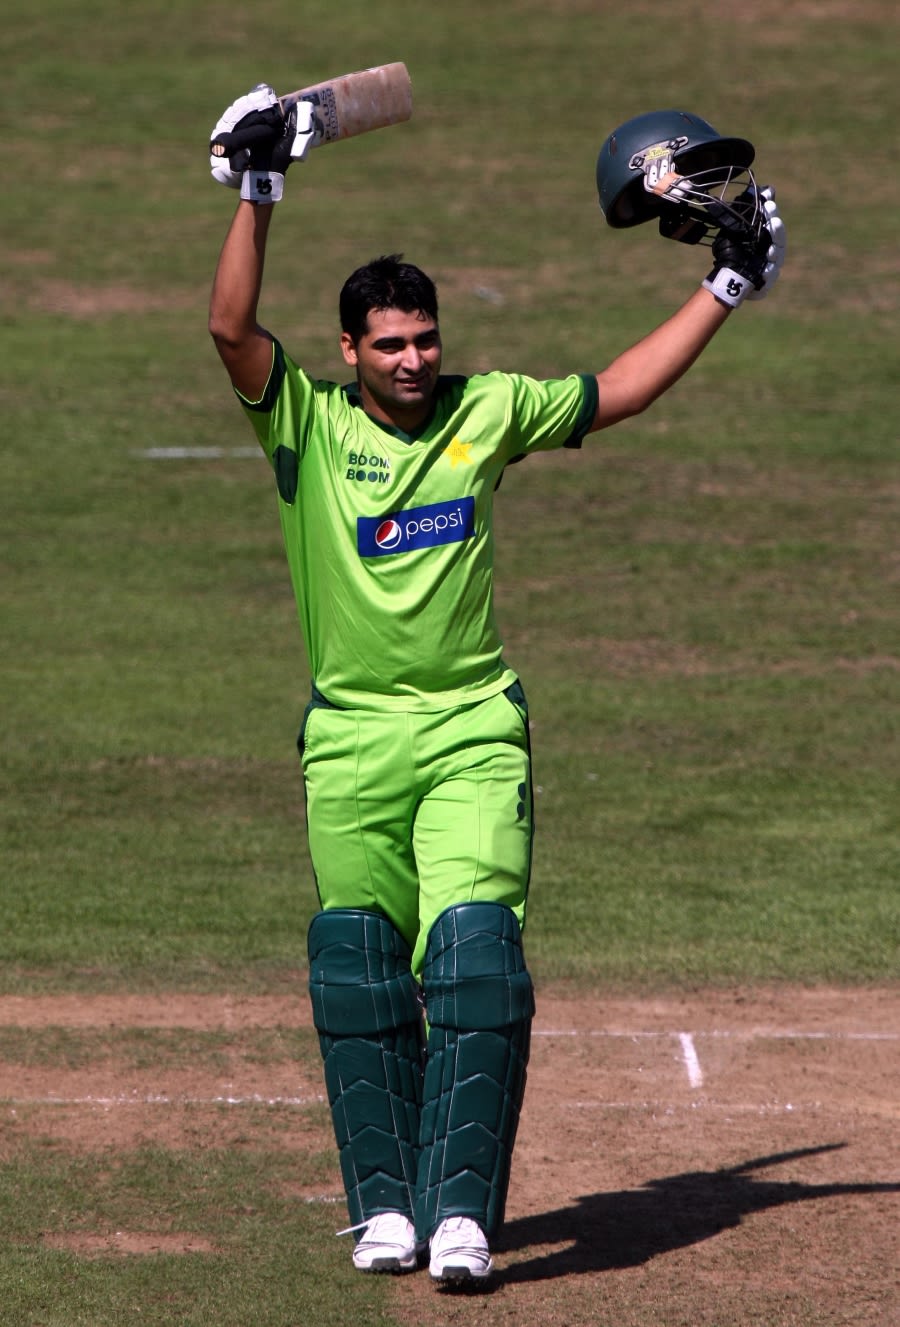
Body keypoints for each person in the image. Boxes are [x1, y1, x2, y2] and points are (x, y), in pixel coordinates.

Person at [207, 87, 785, 1285]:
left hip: (472, 728)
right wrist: (260, 193)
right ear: (350, 351)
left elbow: (618, 391)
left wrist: (722, 288)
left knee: (475, 958)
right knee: (358, 965)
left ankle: (463, 1214)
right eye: (391, 345)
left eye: (425, 339)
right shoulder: (304, 425)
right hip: (351, 741)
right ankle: (386, 1208)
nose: (415, 361)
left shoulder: (487, 410)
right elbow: (229, 328)